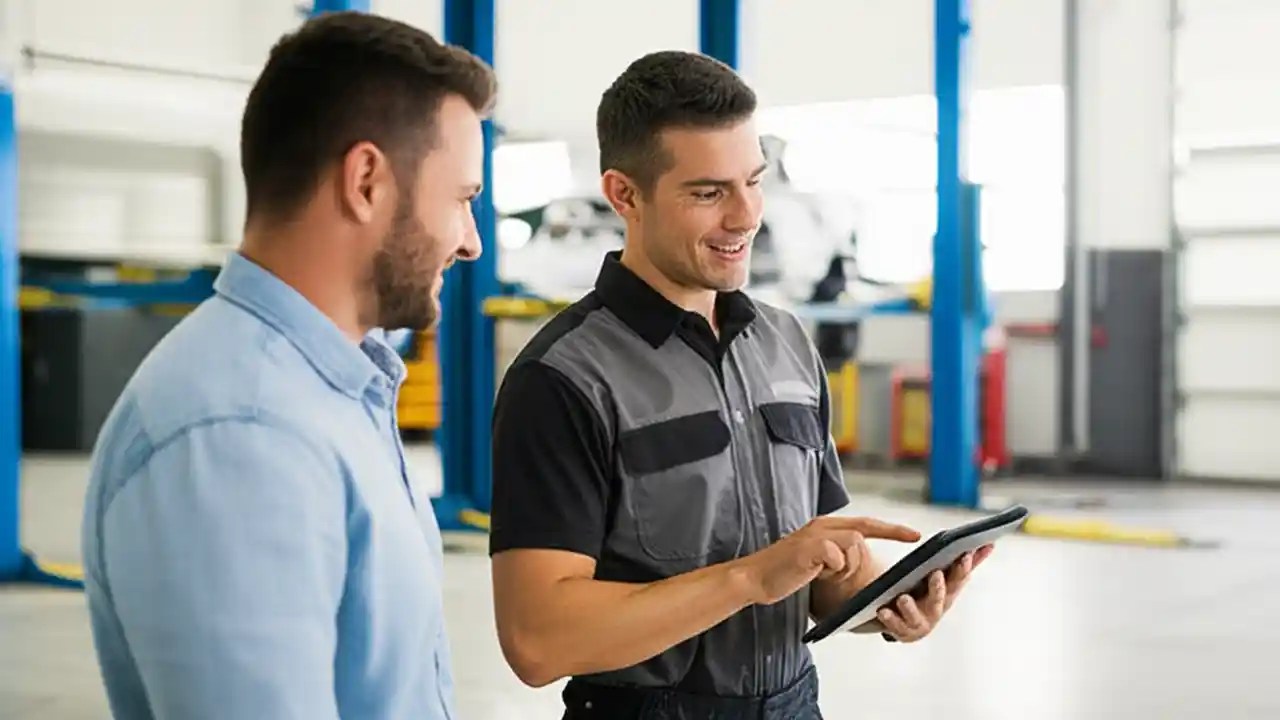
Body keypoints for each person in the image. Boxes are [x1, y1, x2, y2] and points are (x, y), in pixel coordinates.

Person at [488, 51, 992, 719]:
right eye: (708, 192)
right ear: (624, 195)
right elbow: (537, 640)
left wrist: (888, 601)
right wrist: (749, 578)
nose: (746, 215)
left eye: (753, 181)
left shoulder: (785, 345)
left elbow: (812, 572)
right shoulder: (563, 379)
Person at [80, 12, 495, 720]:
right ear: (366, 180)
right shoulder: (238, 435)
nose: (472, 244)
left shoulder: (327, 393)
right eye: (461, 199)